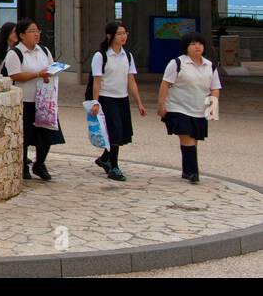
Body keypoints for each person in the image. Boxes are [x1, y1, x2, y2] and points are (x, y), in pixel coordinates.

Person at [3, 19, 64, 180]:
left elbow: (51, 67)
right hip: (25, 100)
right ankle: (22, 164)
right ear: (22, 35)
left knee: (47, 133)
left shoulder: (43, 50)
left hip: (43, 100)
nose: (36, 34)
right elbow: (14, 75)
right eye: (32, 31)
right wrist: (38, 74)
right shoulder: (15, 53)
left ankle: (40, 163)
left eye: (38, 31)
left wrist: (50, 73)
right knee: (25, 135)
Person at [158, 32, 222, 184]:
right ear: (186, 47)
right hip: (178, 107)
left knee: (193, 139)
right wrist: (161, 104)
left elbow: (215, 88)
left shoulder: (210, 65)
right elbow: (165, 84)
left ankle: (187, 171)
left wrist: (213, 107)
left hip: (199, 108)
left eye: (199, 43)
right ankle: (193, 172)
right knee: (187, 137)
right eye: (192, 44)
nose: (197, 46)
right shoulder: (177, 63)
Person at [88, 20, 146, 181]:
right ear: (109, 36)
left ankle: (104, 158)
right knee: (115, 133)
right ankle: (113, 166)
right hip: (106, 99)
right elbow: (97, 81)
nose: (123, 36)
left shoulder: (127, 55)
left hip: (122, 99)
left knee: (121, 133)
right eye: (119, 33)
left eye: (124, 33)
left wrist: (139, 102)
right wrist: (95, 102)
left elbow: (131, 80)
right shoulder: (101, 56)